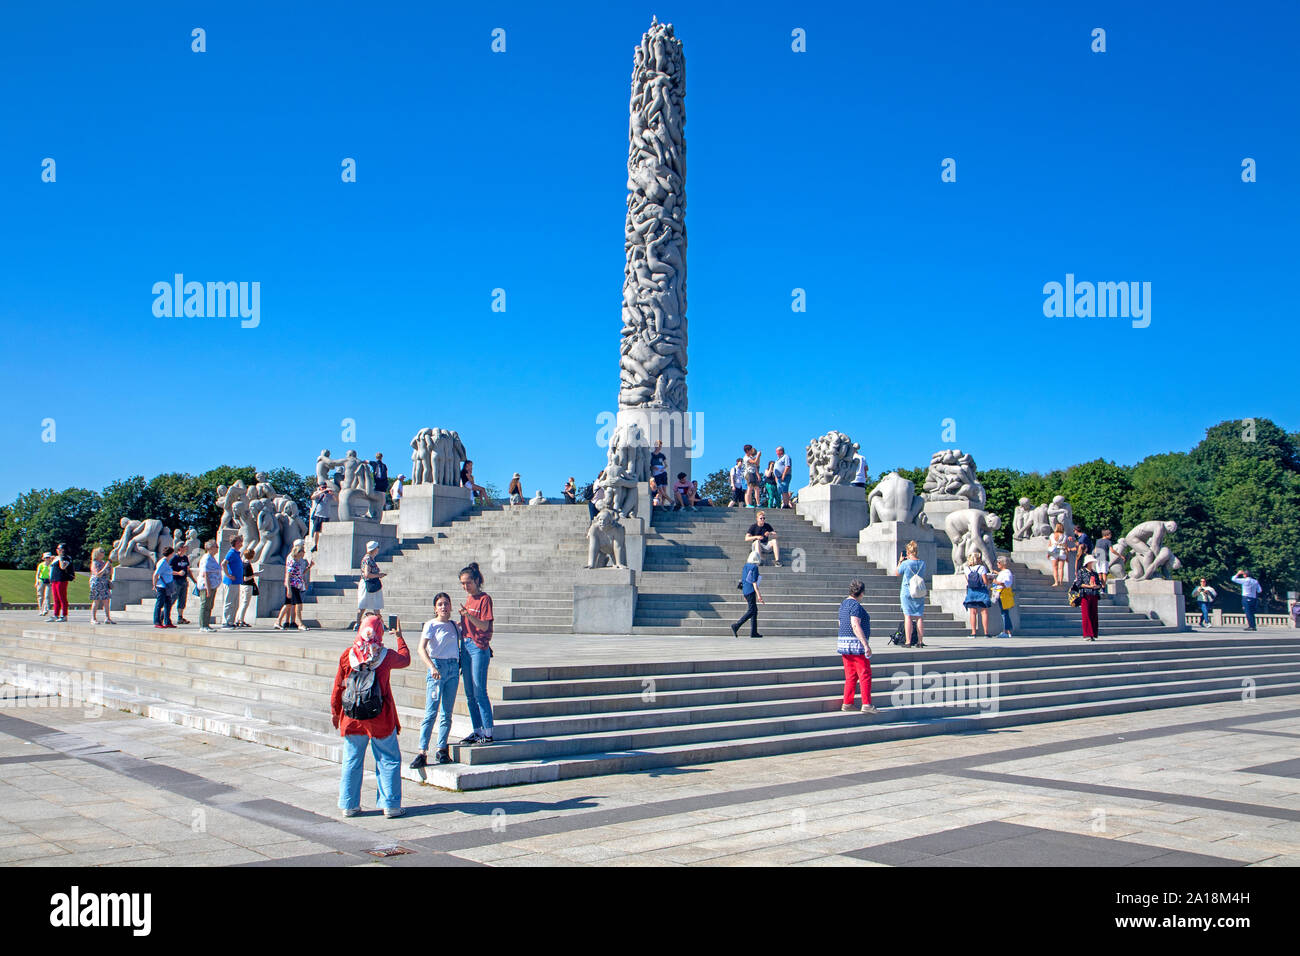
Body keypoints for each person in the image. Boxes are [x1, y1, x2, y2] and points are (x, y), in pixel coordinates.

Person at [330, 612, 410, 818]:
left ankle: (349, 804)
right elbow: (405, 659)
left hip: (353, 715)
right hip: (380, 716)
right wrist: (399, 636)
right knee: (388, 759)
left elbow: (338, 687)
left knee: (352, 760)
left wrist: (335, 711)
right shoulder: (384, 655)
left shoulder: (348, 654)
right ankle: (390, 804)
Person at [410, 592, 461, 769]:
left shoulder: (454, 626)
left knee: (447, 712)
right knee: (431, 712)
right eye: (440, 604)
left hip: (453, 669)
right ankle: (422, 751)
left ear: (451, 606)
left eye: (446, 604)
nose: (443, 607)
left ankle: (441, 748)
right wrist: (431, 667)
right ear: (435, 608)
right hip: (437, 668)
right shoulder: (431, 625)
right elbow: (421, 649)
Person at [457, 562, 495, 745]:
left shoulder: (484, 599)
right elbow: (468, 624)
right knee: (470, 693)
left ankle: (487, 732)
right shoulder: (469, 599)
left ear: (477, 580)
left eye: (468, 583)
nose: (466, 587)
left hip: (479, 647)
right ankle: (477, 730)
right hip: (465, 645)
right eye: (463, 584)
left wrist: (467, 616)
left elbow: (484, 625)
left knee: (480, 691)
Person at [838, 580, 877, 713]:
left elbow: (840, 623)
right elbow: (855, 624)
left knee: (851, 675)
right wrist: (865, 644)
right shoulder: (856, 606)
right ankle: (866, 704)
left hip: (844, 644)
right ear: (861, 593)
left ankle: (847, 703)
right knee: (865, 674)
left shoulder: (843, 604)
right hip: (856, 645)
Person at [276, 542, 313, 630]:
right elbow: (288, 575)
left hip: (296, 586)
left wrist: (309, 567)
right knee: (298, 604)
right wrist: (288, 588)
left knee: (288, 605)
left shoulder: (298, 561)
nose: (304, 553)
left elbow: (300, 574)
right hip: (292, 586)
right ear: (299, 552)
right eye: (303, 551)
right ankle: (300, 623)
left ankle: (278, 622)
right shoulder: (292, 561)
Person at [896, 540, 926, 647]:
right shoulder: (922, 563)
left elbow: (897, 573)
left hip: (907, 591)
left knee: (908, 616)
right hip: (919, 591)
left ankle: (908, 641)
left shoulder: (905, 563)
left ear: (908, 552)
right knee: (919, 616)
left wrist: (900, 561)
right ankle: (920, 641)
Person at [730, 544, 764, 638]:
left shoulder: (746, 566)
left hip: (745, 590)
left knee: (754, 611)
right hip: (751, 590)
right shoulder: (754, 568)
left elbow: (743, 579)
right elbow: (754, 582)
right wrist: (759, 596)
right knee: (751, 610)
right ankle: (736, 625)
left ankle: (754, 632)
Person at [963, 551, 994, 638]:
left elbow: (968, 580)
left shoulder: (966, 569)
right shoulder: (981, 568)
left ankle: (973, 632)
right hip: (981, 592)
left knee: (973, 612)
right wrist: (989, 580)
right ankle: (986, 632)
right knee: (984, 612)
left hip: (971, 591)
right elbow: (985, 581)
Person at [355, 540, 385, 630]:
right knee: (364, 604)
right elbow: (367, 574)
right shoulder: (368, 559)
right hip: (368, 584)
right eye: (377, 548)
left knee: (374, 605)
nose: (378, 549)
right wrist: (379, 575)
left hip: (372, 584)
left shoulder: (370, 558)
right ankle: (358, 623)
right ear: (374, 549)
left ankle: (380, 623)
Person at [1075, 554, 1105, 641]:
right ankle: (1087, 634)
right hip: (1085, 594)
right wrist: (1089, 586)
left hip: (1094, 594)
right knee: (1086, 614)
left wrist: (1096, 586)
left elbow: (1099, 584)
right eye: (1091, 562)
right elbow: (1079, 583)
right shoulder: (1082, 571)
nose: (1092, 564)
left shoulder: (1094, 573)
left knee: (1094, 615)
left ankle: (1093, 634)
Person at [219, 535, 244, 629]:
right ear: (236, 543)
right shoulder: (231, 552)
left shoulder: (236, 553)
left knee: (235, 603)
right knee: (229, 602)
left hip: (236, 581)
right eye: (240, 541)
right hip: (230, 582)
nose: (241, 543)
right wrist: (228, 575)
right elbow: (223, 563)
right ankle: (226, 621)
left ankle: (231, 621)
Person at [197, 540, 221, 632]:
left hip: (212, 586)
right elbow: (205, 574)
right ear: (210, 548)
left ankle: (206, 624)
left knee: (209, 605)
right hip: (207, 586)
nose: (217, 548)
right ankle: (203, 625)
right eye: (216, 546)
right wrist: (208, 588)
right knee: (205, 605)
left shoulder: (212, 558)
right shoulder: (206, 558)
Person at [169, 541, 195, 624]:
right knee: (173, 599)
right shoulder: (174, 558)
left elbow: (187, 569)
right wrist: (178, 573)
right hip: (176, 581)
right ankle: (164, 615)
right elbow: (169, 571)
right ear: (179, 548)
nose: (186, 548)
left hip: (184, 581)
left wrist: (194, 580)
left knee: (182, 600)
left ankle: (180, 617)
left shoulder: (185, 558)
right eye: (184, 547)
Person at [47, 543, 73, 622]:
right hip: (55, 580)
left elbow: (62, 567)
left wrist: (61, 557)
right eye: (58, 549)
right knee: (56, 599)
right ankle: (56, 615)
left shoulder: (66, 558)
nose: (58, 550)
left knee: (62, 598)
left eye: (60, 549)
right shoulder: (56, 558)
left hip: (61, 580)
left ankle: (64, 615)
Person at [152, 546, 177, 628]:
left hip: (167, 586)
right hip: (162, 586)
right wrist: (154, 585)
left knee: (168, 604)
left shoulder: (166, 562)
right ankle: (157, 622)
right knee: (160, 604)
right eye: (172, 554)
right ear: (170, 554)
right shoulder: (162, 562)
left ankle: (167, 621)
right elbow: (156, 574)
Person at [88, 547, 115, 624]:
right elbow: (98, 574)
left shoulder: (103, 562)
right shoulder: (95, 563)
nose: (103, 554)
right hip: (96, 583)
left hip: (104, 583)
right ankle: (93, 618)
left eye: (103, 552)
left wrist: (110, 565)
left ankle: (107, 618)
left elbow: (110, 573)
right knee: (96, 600)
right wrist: (105, 567)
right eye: (101, 552)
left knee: (106, 601)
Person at [234, 546, 258, 627]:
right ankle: (240, 620)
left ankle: (239, 619)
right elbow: (246, 578)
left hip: (243, 585)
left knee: (242, 603)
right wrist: (254, 575)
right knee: (245, 603)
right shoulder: (247, 565)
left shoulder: (243, 564)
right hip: (247, 585)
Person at [992, 555, 1015, 638]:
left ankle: (1005, 631)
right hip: (1002, 594)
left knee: (1004, 613)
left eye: (998, 563)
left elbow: (1007, 583)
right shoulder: (1004, 572)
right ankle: (1008, 631)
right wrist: (997, 573)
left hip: (1003, 594)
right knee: (1005, 613)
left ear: (1002, 563)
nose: (997, 564)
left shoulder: (1007, 572)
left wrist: (996, 582)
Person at [309, 483, 333, 552]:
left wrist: (332, 493)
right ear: (320, 487)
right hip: (318, 515)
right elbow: (312, 497)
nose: (324, 488)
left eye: (325, 487)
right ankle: (315, 545)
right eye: (322, 487)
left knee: (325, 531)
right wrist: (322, 492)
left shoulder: (328, 494)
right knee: (316, 531)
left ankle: (324, 544)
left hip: (326, 515)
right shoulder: (317, 493)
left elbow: (337, 500)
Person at [649, 440, 668, 507]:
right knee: (657, 488)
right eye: (657, 445)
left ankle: (662, 504)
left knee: (664, 490)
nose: (659, 447)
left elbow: (666, 465)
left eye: (660, 446)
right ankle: (653, 503)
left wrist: (663, 468)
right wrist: (653, 467)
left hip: (662, 472)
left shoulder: (662, 455)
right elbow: (648, 465)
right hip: (655, 474)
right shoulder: (651, 455)